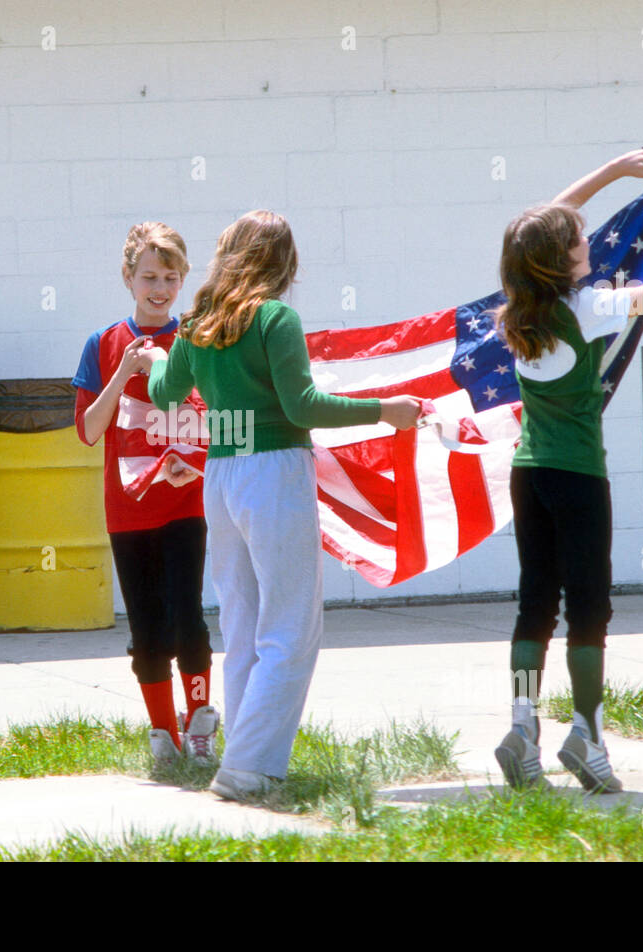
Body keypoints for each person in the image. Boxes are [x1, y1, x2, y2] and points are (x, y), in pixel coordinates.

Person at [143, 210, 424, 802]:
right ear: (284, 261)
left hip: (219, 477)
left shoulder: (195, 322)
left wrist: (158, 361)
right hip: (272, 473)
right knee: (291, 626)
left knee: (242, 625)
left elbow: (165, 395)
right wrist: (384, 410)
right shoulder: (275, 316)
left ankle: (243, 757)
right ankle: (248, 767)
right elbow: (301, 406)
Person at [491, 148, 643, 792]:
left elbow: (543, 222)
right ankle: (588, 733)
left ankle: (522, 724)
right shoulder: (588, 307)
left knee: (534, 605)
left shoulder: (519, 307)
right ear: (561, 259)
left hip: (528, 473)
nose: (586, 239)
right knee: (590, 608)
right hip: (578, 476)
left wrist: (613, 170)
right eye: (578, 240)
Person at [72, 222, 220, 770]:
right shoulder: (103, 343)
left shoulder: (197, 340)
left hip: (185, 502)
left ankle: (200, 723)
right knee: (147, 627)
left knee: (187, 616)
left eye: (170, 277)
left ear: (183, 280)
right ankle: (163, 733)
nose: (160, 288)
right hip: (128, 508)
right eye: (149, 277)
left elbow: (215, 420)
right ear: (129, 278)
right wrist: (124, 372)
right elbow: (89, 431)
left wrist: (193, 464)